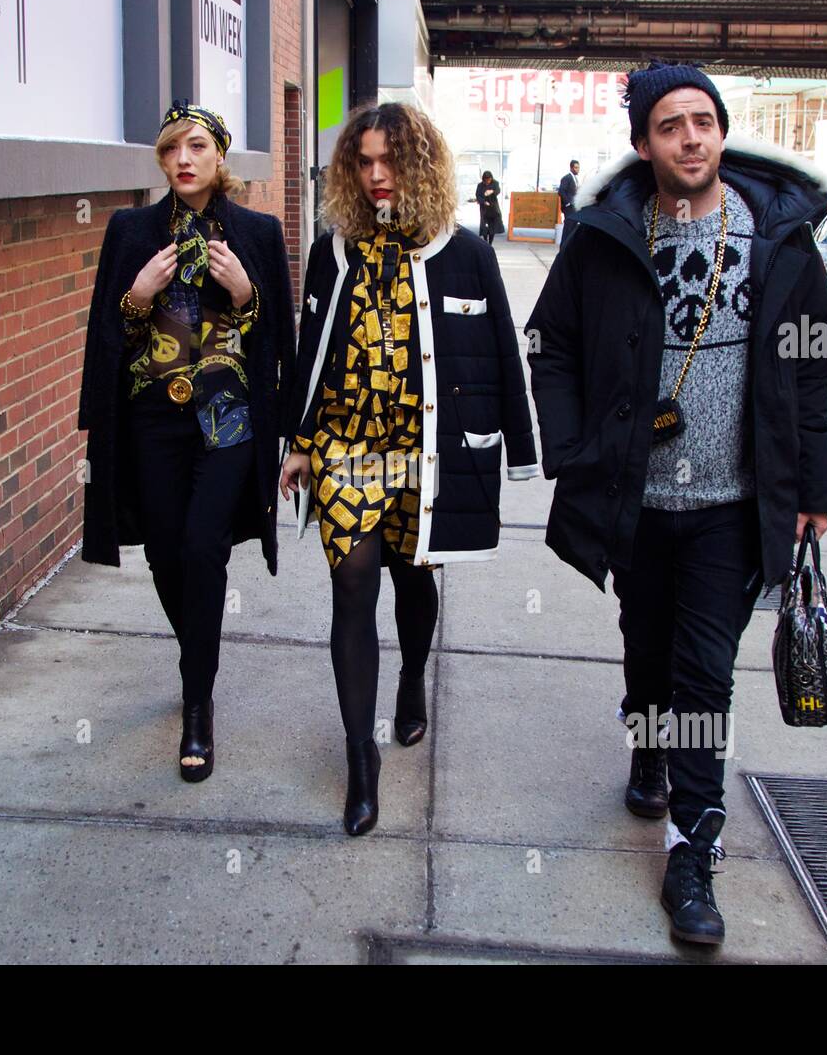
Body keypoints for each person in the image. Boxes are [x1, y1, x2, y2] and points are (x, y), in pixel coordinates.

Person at [525, 60, 827, 946]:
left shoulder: (778, 235)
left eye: (703, 120)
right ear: (643, 144)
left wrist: (814, 487)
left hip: (734, 506)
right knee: (645, 644)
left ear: (721, 132)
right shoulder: (603, 235)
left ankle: (693, 854)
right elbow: (549, 345)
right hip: (637, 499)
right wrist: (575, 447)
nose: (691, 137)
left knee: (703, 672)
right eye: (671, 125)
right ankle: (647, 739)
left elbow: (811, 361)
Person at [279, 102, 539, 835]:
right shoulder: (334, 251)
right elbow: (312, 350)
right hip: (347, 446)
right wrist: (298, 440)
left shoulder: (465, 254)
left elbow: (499, 358)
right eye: (362, 162)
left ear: (419, 164)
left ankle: (412, 678)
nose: (375, 175)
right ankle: (362, 759)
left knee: (413, 575)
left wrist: (515, 451)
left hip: (424, 449)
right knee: (352, 582)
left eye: (389, 160)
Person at [77, 99, 296, 783]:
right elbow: (107, 335)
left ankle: (197, 700)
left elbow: (281, 341)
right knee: (168, 555)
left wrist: (247, 293)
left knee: (204, 547)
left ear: (220, 156)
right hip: (154, 420)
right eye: (172, 147)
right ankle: (194, 649)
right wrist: (138, 295)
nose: (183, 159)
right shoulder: (131, 230)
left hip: (229, 420)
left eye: (197, 145)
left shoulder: (256, 232)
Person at [475, 171, 504, 244]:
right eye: (486, 180)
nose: (487, 181)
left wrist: (492, 191)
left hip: (493, 207)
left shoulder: (495, 183)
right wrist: (483, 202)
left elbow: (498, 190)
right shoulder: (480, 185)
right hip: (484, 208)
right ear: (483, 179)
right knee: (484, 225)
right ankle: (485, 241)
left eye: (489, 180)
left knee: (492, 226)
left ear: (491, 178)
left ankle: (490, 243)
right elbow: (478, 195)